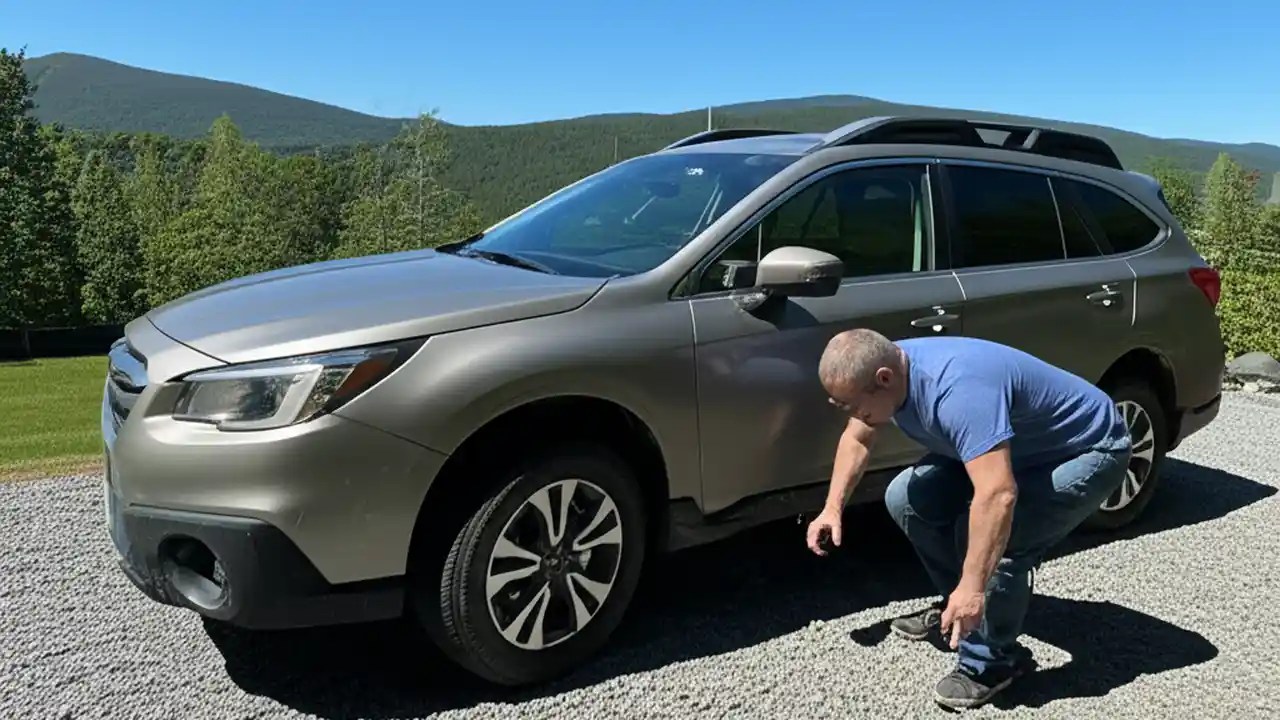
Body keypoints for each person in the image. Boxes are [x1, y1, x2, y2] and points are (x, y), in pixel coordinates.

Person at [805, 328, 1132, 710]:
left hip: (1085, 449)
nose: (853, 416)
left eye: (854, 407)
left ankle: (992, 661)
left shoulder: (958, 391)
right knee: (906, 500)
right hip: (1015, 448)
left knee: (1005, 538)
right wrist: (832, 507)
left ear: (884, 379)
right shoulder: (888, 371)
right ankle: (957, 611)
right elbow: (858, 438)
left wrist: (975, 585)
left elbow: (998, 495)